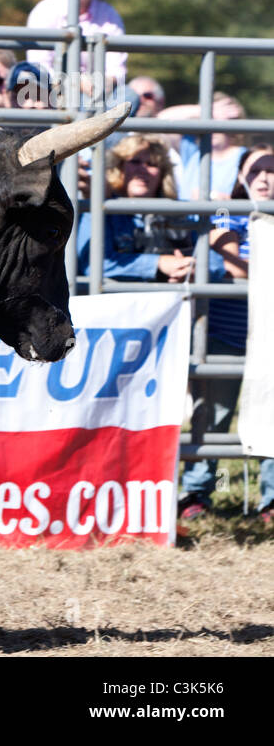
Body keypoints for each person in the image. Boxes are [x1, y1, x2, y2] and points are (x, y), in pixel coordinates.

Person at [179, 145, 274, 523]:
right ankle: (200, 492)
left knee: (270, 415)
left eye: (273, 170)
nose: (265, 178)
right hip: (225, 333)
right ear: (240, 178)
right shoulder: (227, 210)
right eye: (256, 171)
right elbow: (231, 263)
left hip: (269, 335)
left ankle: (270, 501)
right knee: (213, 416)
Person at [76, 134, 195, 283]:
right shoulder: (102, 206)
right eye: (135, 162)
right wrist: (158, 263)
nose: (143, 170)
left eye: (152, 164)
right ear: (119, 167)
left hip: (172, 301)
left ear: (163, 173)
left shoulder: (180, 211)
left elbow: (215, 264)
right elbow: (92, 265)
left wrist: (190, 269)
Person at [26, 0, 127, 92]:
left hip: (98, 93)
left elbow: (116, 70)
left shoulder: (109, 14)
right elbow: (39, 65)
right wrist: (76, 84)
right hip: (51, 91)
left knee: (130, 96)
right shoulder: (45, 10)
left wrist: (102, 86)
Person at [157, 93, 248, 201]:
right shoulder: (192, 149)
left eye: (218, 120)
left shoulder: (245, 158)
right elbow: (160, 120)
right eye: (210, 119)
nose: (212, 126)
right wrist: (202, 111)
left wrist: (216, 198)